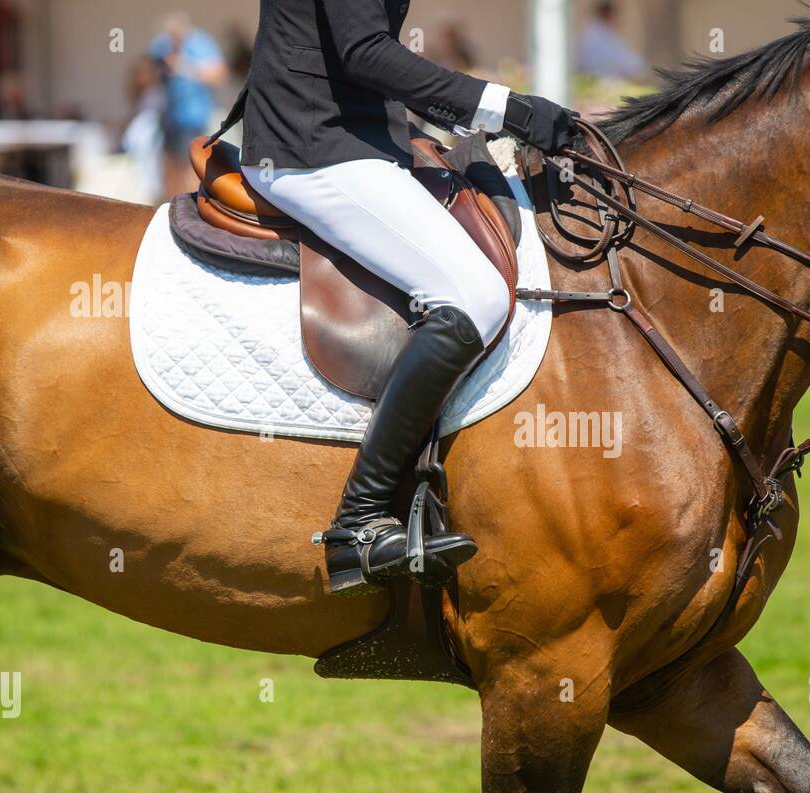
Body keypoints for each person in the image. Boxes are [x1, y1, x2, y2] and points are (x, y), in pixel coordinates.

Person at [226, 0, 579, 595]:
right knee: (475, 296)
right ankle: (359, 524)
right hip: (312, 144)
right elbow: (364, 51)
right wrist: (504, 107)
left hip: (359, 133)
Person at [151, 12, 228, 198]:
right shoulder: (162, 45)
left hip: (194, 116)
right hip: (169, 116)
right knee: (169, 165)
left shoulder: (201, 43)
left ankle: (191, 205)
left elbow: (219, 75)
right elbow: (150, 72)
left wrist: (186, 67)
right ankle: (171, 205)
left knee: (191, 166)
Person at [577, 1, 647, 81]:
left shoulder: (602, 33)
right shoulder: (598, 35)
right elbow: (626, 62)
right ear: (607, 14)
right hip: (604, 82)